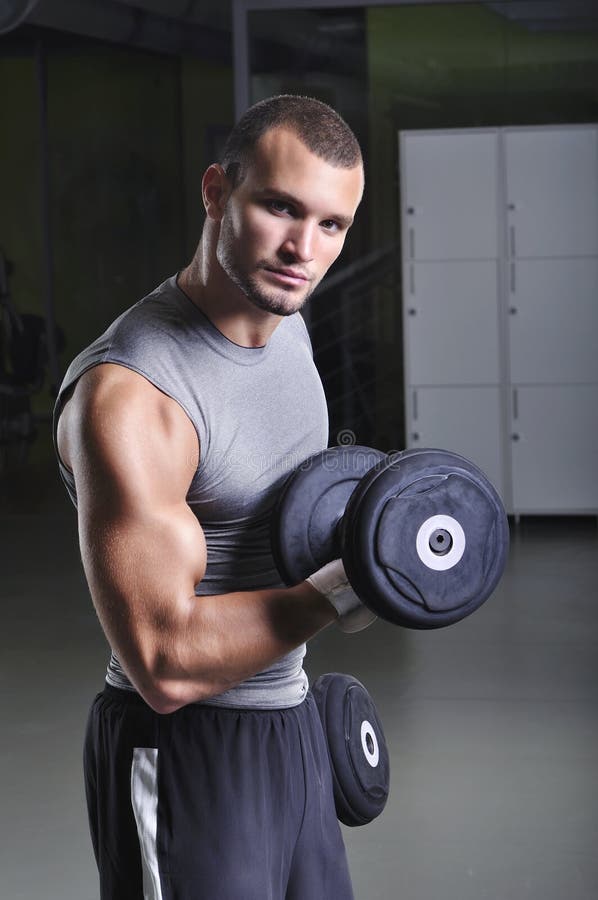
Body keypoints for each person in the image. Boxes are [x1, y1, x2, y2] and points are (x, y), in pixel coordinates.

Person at [53, 94, 373, 900]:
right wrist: (352, 585)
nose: (303, 249)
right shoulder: (133, 395)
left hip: (290, 719)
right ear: (216, 192)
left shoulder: (288, 325)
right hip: (183, 747)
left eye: (332, 225)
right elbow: (162, 660)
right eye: (280, 208)